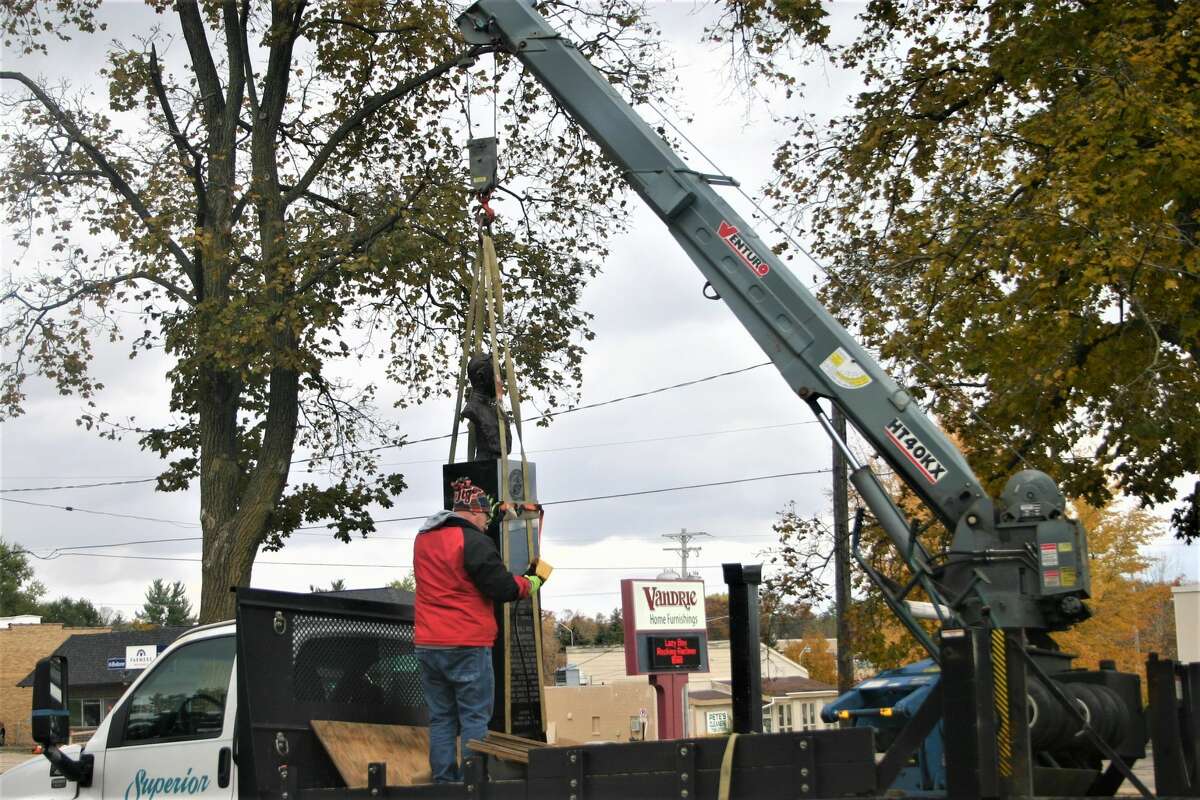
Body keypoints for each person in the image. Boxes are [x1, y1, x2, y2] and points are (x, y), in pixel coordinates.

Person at [413, 477, 544, 783]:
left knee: (442, 718)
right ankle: (472, 784)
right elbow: (501, 587)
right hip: (467, 644)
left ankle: (444, 784)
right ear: (473, 513)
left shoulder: (424, 539)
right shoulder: (474, 542)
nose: (486, 523)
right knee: (474, 717)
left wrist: (497, 515)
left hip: (429, 644)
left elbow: (460, 560)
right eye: (485, 517)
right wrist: (531, 582)